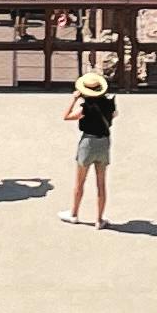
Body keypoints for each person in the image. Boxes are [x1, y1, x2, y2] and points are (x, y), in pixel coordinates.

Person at [61, 60, 117, 226]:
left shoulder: (85, 108)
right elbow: (114, 115)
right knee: (101, 183)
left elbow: (66, 116)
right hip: (104, 142)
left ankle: (74, 213)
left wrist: (73, 99)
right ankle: (99, 219)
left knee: (80, 182)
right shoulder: (109, 103)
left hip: (88, 142)